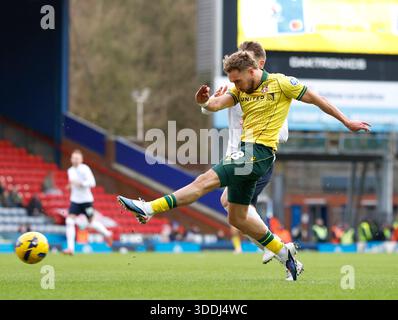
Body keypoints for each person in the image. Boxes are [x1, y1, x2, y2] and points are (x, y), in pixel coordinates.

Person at [118, 50, 370, 281]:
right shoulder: (240, 90)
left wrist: (346, 122)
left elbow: (317, 99)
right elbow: (217, 104)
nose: (235, 86)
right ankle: (285, 255)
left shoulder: (282, 83)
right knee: (236, 217)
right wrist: (203, 101)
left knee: (203, 182)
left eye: (237, 80)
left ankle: (149, 207)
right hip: (245, 153)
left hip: (259, 153)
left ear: (252, 71)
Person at [202, 41, 301, 280]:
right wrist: (207, 101)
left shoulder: (273, 92)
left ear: (257, 65)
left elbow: (283, 134)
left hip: (258, 156)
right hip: (235, 155)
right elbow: (209, 108)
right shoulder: (234, 87)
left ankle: (274, 246)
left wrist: (257, 129)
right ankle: (278, 250)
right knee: (235, 209)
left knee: (230, 203)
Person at [63, 150, 113, 255]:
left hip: (86, 201)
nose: (75, 160)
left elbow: (92, 183)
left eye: (77, 158)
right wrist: (70, 186)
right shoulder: (70, 170)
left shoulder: (85, 169)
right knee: (69, 221)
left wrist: (81, 183)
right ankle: (70, 249)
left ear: (81, 160)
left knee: (91, 223)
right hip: (75, 200)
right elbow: (72, 183)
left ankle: (107, 233)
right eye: (73, 158)